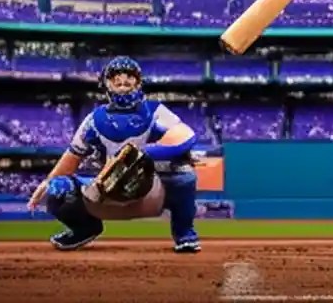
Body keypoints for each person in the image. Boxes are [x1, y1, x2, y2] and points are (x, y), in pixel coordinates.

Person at [26, 56, 202, 253]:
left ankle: (184, 233)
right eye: (116, 79)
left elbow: (184, 136)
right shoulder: (93, 120)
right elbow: (71, 158)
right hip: (105, 193)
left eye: (129, 78)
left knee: (184, 174)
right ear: (106, 84)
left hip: (150, 192)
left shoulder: (155, 111)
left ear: (139, 83)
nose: (123, 82)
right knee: (57, 188)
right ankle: (84, 229)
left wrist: (137, 155)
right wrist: (47, 183)